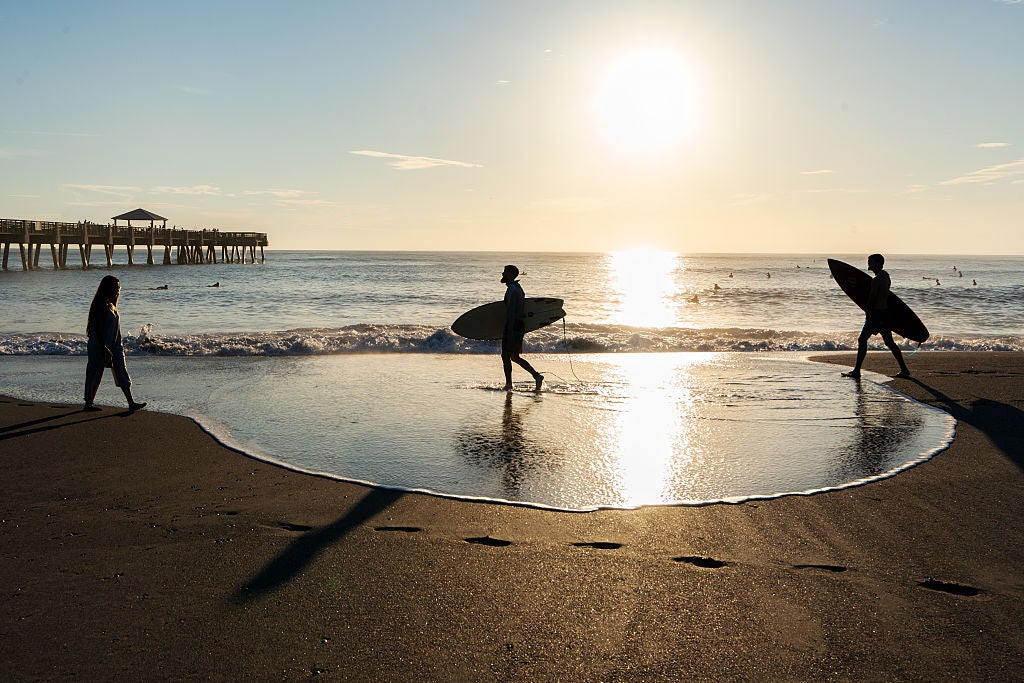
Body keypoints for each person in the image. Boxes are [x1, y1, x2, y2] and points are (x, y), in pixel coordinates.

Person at [842, 254, 911, 380]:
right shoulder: (886, 276)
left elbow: (871, 299)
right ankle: (904, 369)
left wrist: (868, 314)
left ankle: (857, 371)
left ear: (878, 263)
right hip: (884, 314)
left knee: (862, 340)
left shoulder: (876, 280)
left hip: (876, 315)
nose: (869, 264)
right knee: (889, 342)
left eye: (871, 262)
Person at [84, 275, 147, 412]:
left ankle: (131, 403)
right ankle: (88, 403)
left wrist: (114, 347)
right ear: (107, 288)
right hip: (99, 345)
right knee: (95, 373)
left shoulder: (111, 304)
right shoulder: (101, 306)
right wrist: (104, 348)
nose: (118, 290)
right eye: (115, 287)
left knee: (121, 371)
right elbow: (99, 330)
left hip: (115, 345)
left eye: (119, 287)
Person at [500, 265, 543, 392]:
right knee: (513, 356)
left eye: (505, 272)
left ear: (511, 275)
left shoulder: (513, 290)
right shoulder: (514, 288)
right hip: (516, 324)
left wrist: (511, 330)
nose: (502, 274)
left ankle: (509, 384)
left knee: (506, 355)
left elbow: (512, 311)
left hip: (514, 325)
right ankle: (537, 376)